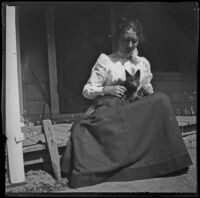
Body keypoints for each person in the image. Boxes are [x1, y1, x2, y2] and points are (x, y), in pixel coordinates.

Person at [61, 18, 192, 188]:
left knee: (161, 99)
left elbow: (147, 86)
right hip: (110, 110)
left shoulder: (142, 63)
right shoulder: (106, 60)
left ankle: (167, 162)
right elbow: (87, 90)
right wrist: (106, 90)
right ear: (117, 39)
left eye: (134, 41)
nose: (130, 45)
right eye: (125, 40)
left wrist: (149, 94)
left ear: (139, 40)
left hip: (134, 108)